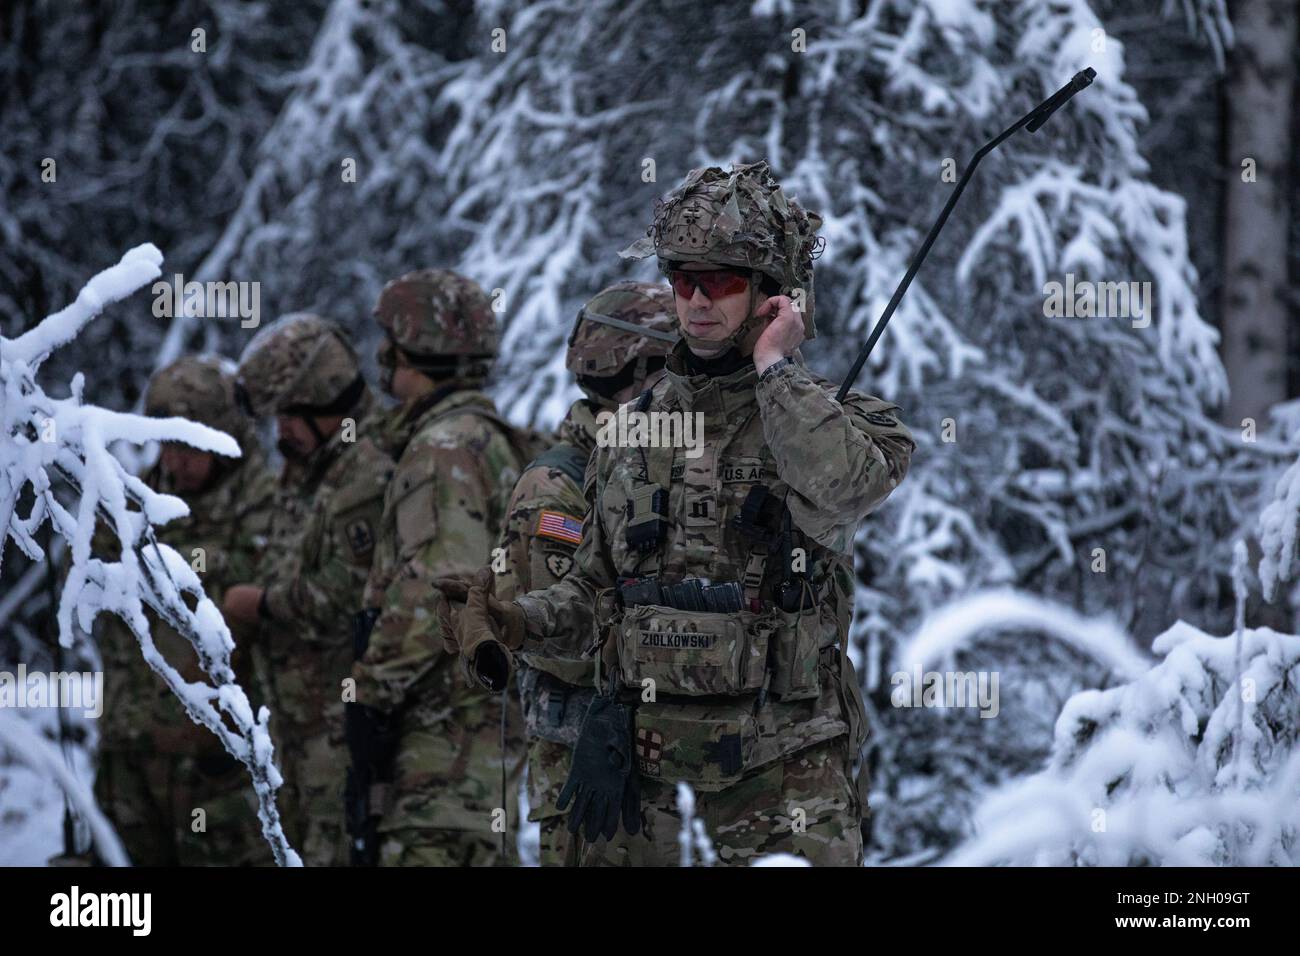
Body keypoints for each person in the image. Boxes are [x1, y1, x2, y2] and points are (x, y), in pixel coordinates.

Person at [453, 161, 915, 866]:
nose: (697, 300)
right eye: (681, 279)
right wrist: (517, 620)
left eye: (722, 280)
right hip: (646, 774)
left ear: (772, 294)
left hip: (781, 774)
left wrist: (774, 369)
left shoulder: (836, 420)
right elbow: (594, 594)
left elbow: (847, 485)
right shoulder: (633, 429)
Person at [349, 270, 536, 867]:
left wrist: (370, 693)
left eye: (389, 345)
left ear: (408, 352)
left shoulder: (444, 446)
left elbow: (442, 589)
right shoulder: (490, 438)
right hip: (478, 743)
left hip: (442, 742)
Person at [496, 281, 677, 866]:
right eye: (671, 366)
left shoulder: (658, 460)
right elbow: (557, 638)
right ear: (639, 372)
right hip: (592, 788)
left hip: (661, 770)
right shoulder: (560, 485)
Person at [93, 356, 277, 866]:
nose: (176, 462)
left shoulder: (265, 502)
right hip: (130, 751)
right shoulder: (133, 500)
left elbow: (267, 589)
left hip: (217, 767)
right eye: (167, 445)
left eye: (191, 448)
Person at [224, 314, 393, 866]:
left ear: (324, 402)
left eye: (290, 417)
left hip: (340, 729)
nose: (281, 433)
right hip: (297, 726)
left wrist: (261, 605)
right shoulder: (311, 467)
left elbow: (351, 595)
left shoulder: (364, 471)